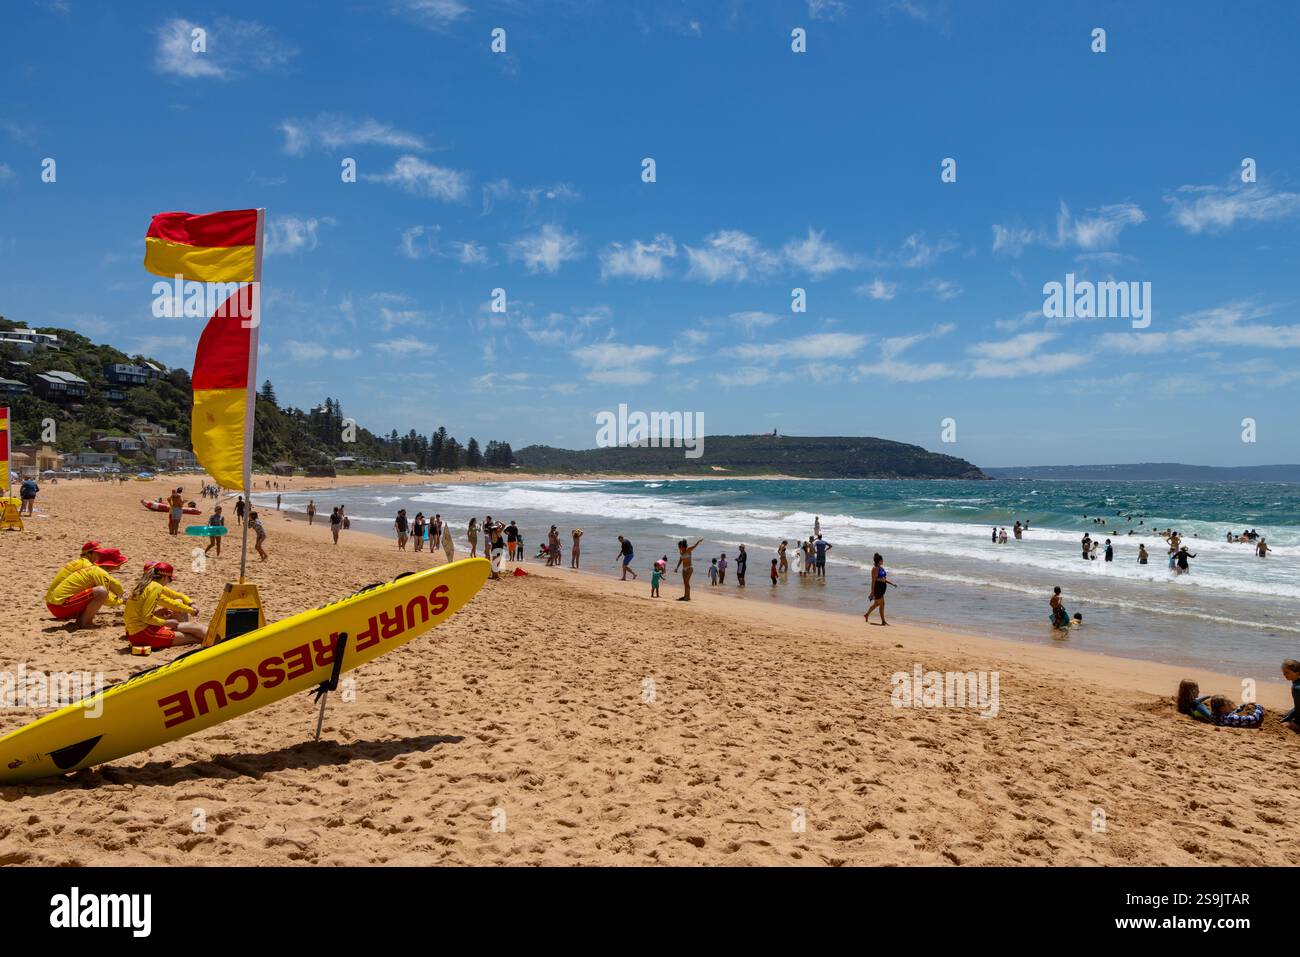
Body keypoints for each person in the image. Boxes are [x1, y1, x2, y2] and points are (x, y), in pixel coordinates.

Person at [124, 562, 205, 650]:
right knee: (196, 634)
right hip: (144, 635)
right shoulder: (156, 587)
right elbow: (146, 617)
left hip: (135, 633)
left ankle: (180, 630)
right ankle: (218, 642)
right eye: (170, 579)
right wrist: (166, 622)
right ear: (165, 577)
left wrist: (190, 607)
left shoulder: (145, 585)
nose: (169, 582)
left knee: (195, 628)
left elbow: (172, 600)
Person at [44, 545, 125, 628]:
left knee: (93, 592)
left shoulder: (94, 569)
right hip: (59, 607)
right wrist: (121, 601)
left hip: (53, 603)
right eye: (119, 564)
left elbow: (113, 583)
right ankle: (85, 623)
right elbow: (106, 598)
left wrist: (121, 595)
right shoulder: (96, 571)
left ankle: (81, 620)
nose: (119, 568)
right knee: (101, 592)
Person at [864, 552, 896, 626]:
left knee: (876, 604)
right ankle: (883, 621)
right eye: (882, 560)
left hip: (882, 588)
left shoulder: (880, 568)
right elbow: (873, 580)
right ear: (879, 561)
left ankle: (866, 614)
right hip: (877, 588)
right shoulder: (875, 569)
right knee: (882, 604)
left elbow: (883, 579)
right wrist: (872, 591)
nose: (883, 561)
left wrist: (892, 583)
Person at [1280, 660, 1300, 733]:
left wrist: (1286, 718)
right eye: (1283, 672)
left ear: (1297, 673)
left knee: (1284, 725)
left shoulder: (1296, 688)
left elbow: (1298, 708)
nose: (1284, 675)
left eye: (1287, 672)